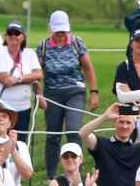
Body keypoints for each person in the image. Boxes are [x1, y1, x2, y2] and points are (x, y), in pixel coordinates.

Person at [35, 11, 96, 165]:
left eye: (63, 31)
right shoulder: (43, 46)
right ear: (51, 29)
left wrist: (94, 92)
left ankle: (76, 170)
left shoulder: (77, 43)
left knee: (73, 130)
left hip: (75, 91)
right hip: (52, 93)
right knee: (53, 135)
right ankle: (51, 175)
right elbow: (36, 74)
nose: (61, 34)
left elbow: (88, 68)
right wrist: (39, 94)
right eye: (57, 31)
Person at [0, 23, 44, 153]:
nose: (13, 36)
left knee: (20, 144)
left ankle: (18, 171)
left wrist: (19, 79)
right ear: (6, 36)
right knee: (0, 142)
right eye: (10, 33)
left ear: (23, 37)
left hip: (23, 108)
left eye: (17, 33)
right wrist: (29, 78)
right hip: (2, 107)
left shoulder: (29, 53)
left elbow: (39, 74)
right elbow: (6, 80)